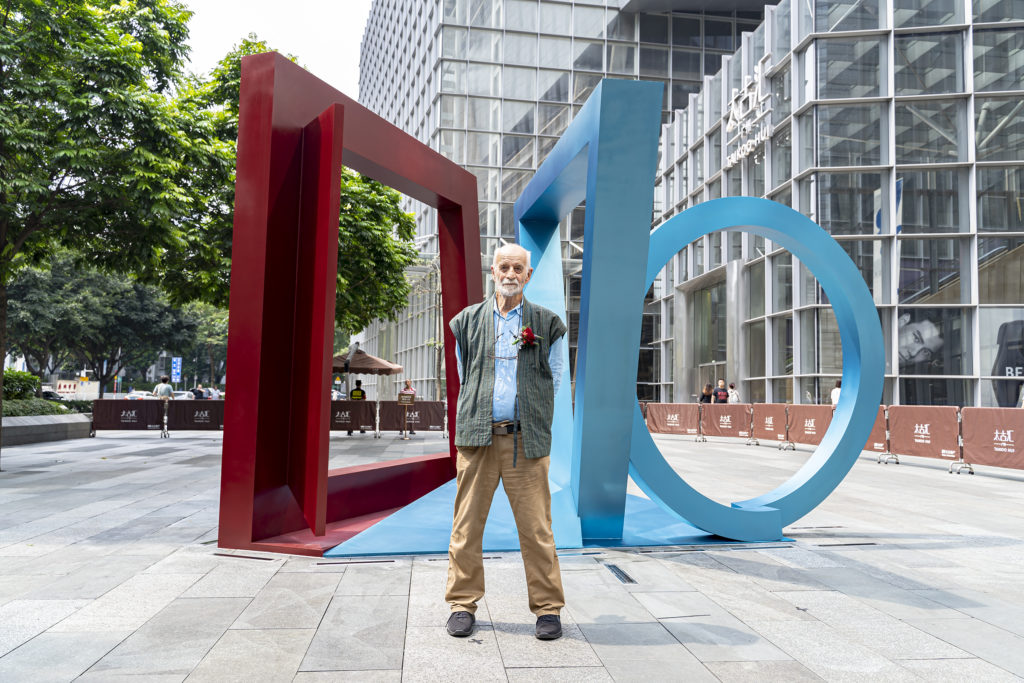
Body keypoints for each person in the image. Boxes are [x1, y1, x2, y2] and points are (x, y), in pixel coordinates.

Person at [445, 243, 567, 641]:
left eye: (519, 268)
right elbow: (467, 376)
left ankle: (548, 610)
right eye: (504, 267)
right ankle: (462, 604)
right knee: (466, 526)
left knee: (537, 530)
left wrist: (532, 417)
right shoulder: (466, 321)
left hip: (524, 441)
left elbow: (556, 379)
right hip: (478, 439)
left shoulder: (547, 323)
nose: (511, 273)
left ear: (528, 275)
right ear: (492, 271)